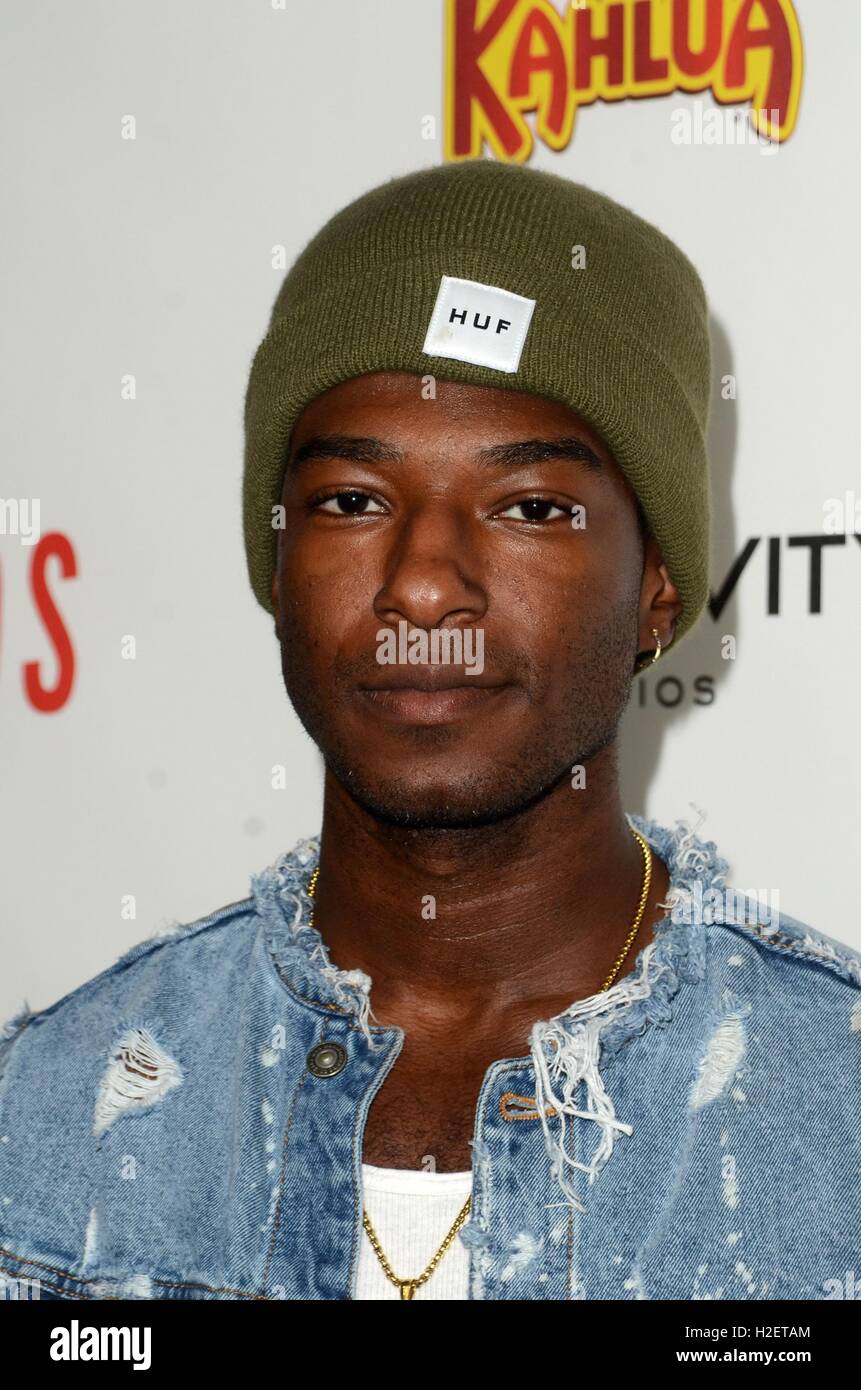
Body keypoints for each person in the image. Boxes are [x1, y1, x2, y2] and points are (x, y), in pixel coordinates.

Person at [1, 162, 859, 1303]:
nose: (420, 584)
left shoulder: (833, 1115)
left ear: (657, 586)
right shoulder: (50, 1119)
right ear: (279, 566)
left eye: (531, 507)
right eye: (354, 500)